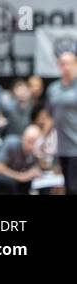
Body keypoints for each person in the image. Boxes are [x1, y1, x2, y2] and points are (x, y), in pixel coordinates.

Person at [46, 50, 77, 194]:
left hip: (76, 146)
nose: (66, 67)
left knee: (73, 188)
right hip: (62, 147)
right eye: (63, 64)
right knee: (68, 186)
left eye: (69, 63)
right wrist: (43, 137)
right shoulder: (53, 89)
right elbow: (50, 116)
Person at [0, 124, 43, 194]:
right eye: (30, 141)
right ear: (22, 138)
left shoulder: (37, 150)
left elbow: (40, 167)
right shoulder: (11, 143)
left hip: (21, 181)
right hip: (4, 180)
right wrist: (20, 176)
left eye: (35, 142)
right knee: (9, 184)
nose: (31, 146)